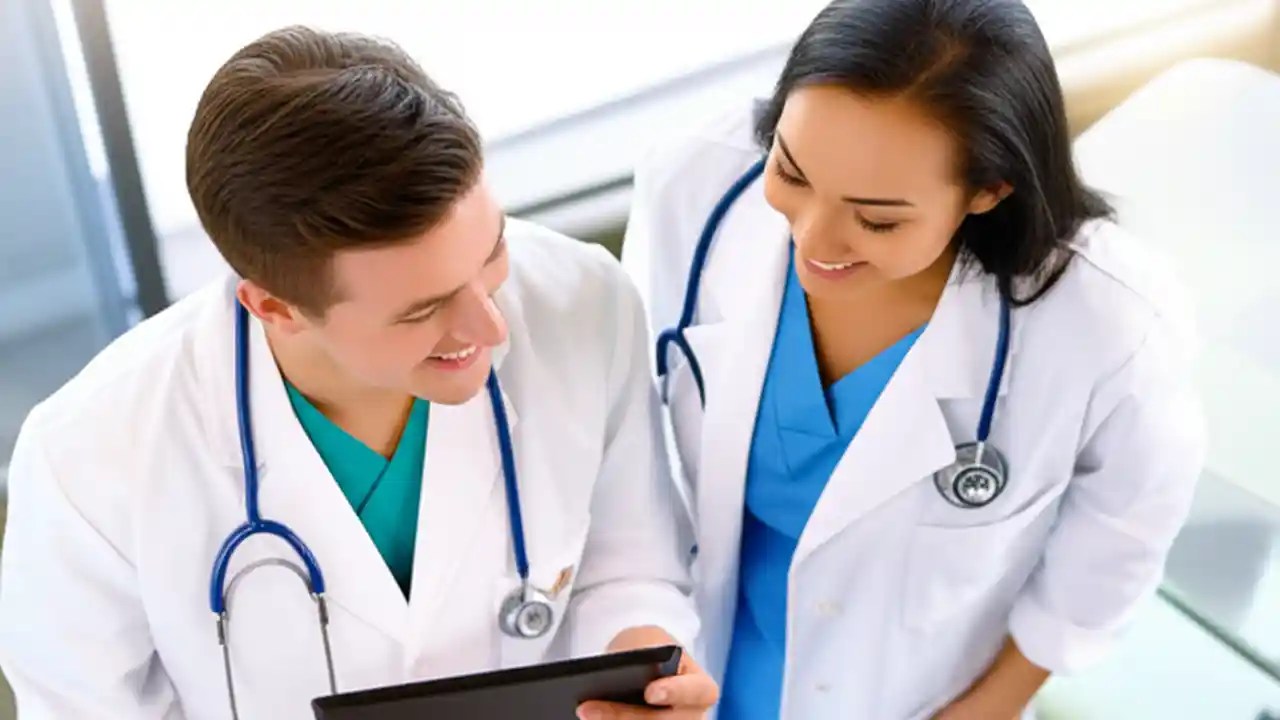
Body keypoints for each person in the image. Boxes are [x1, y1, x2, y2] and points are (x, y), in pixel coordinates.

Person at [0, 26, 717, 720]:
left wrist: (644, 660)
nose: (492, 328)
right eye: (423, 309)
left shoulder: (583, 302)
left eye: (492, 253)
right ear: (275, 307)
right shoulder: (88, 455)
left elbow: (632, 569)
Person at [621, 1, 1207, 718]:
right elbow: (630, 443)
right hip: (695, 659)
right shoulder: (694, 181)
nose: (815, 240)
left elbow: (1122, 534)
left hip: (913, 694)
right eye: (791, 173)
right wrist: (638, 640)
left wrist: (988, 707)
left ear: (989, 191)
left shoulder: (1106, 321)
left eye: (877, 218)